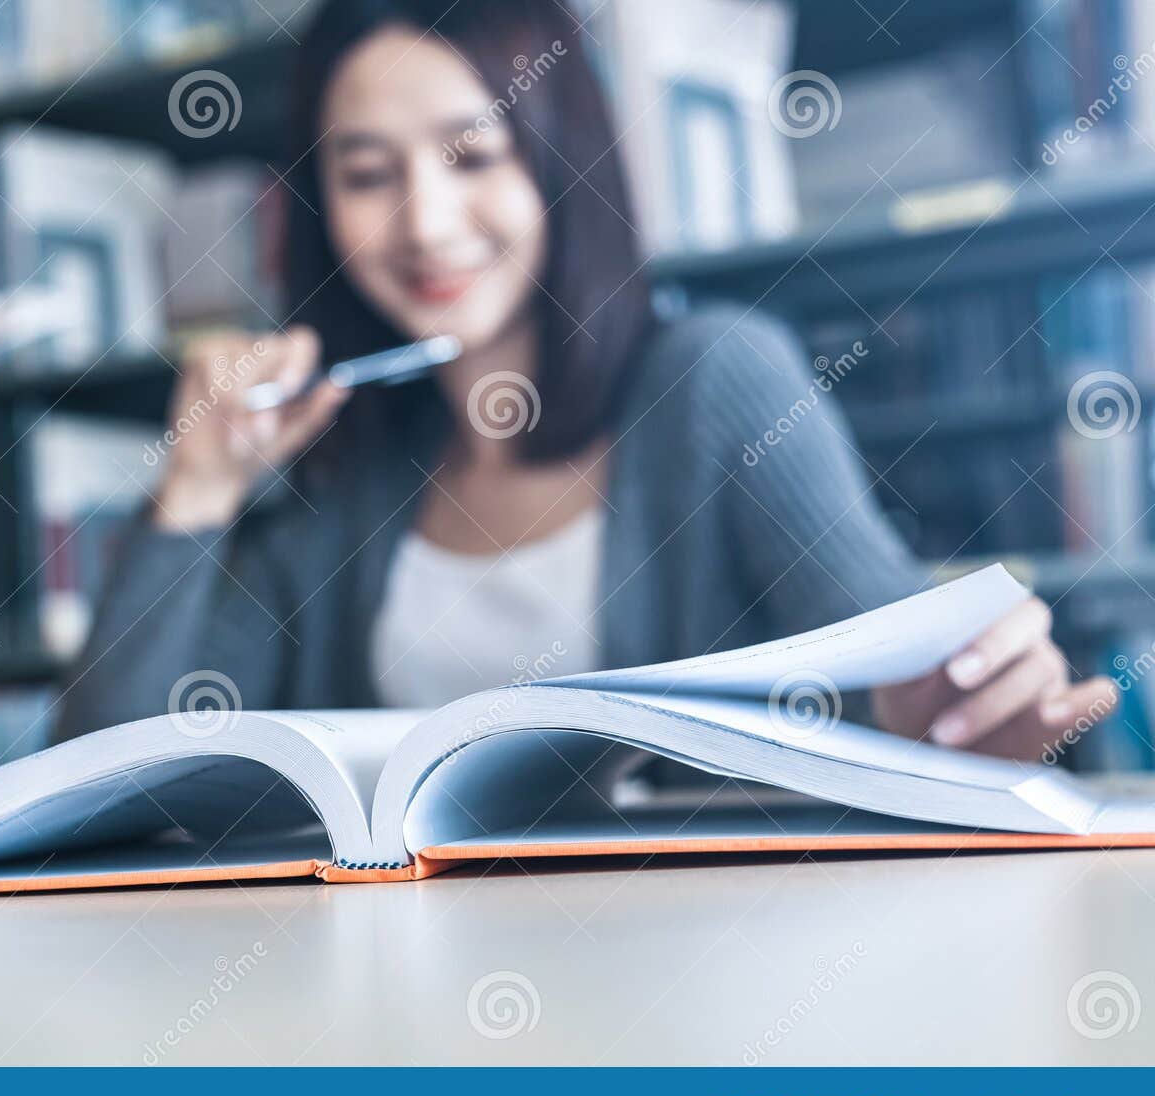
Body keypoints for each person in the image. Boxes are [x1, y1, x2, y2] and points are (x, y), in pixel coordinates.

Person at [58, 0, 1113, 764]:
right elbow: (109, 775)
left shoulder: (713, 382)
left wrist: (954, 701)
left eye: (471, 157)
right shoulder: (340, 471)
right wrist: (192, 493)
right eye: (368, 174)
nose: (423, 221)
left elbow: (885, 649)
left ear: (558, 163)